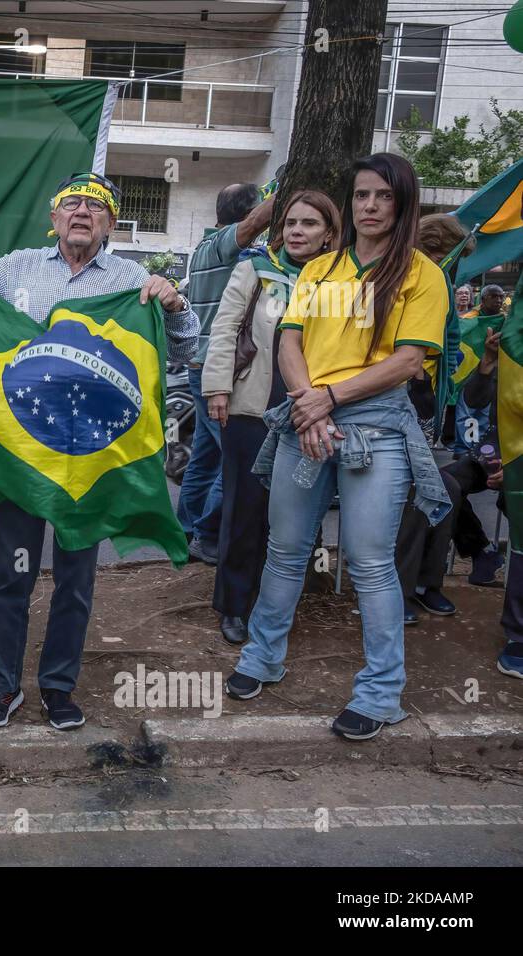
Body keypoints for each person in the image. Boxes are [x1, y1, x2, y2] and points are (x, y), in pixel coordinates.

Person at [0, 171, 198, 730]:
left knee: (76, 580)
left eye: (94, 207)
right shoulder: (17, 268)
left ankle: (58, 687)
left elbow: (187, 346)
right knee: (10, 575)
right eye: (71, 204)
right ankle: (2, 688)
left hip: (91, 461)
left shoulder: (132, 279)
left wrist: (173, 305)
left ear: (109, 224)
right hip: (22, 457)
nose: (81, 212)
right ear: (54, 218)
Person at [224, 153, 451, 742]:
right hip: (308, 422)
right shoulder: (321, 270)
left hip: (376, 429)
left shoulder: (422, 274)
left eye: (383, 197)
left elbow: (407, 361)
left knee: (371, 562)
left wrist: (327, 397)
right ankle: (261, 657)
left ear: (402, 204)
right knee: (286, 549)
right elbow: (289, 342)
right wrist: (309, 402)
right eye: (361, 196)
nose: (370, 207)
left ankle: (380, 693)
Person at [203, 190, 340, 647]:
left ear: (329, 235)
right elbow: (224, 328)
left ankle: (274, 606)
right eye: (292, 224)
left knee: (290, 516)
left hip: (309, 412)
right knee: (244, 510)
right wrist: (218, 387)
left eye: (310, 225)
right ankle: (234, 606)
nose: (297, 232)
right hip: (252, 408)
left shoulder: (338, 281)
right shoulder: (256, 268)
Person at [395, 216, 491, 621]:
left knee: (446, 490)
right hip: (386, 413)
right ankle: (392, 594)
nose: (454, 272)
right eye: (451, 261)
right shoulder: (401, 281)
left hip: (421, 409)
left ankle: (425, 584)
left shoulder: (439, 288)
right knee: (421, 497)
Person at [180, 183, 276, 565]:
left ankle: (185, 529)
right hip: (220, 369)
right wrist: (284, 191)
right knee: (235, 459)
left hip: (202, 366)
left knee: (204, 457)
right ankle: (207, 535)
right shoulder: (224, 244)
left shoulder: (205, 247)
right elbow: (255, 223)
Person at [461, 325, 523, 678]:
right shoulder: (509, 353)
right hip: (493, 453)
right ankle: (482, 551)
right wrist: (489, 360)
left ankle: (518, 632)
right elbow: (475, 399)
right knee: (441, 485)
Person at [453, 284, 505, 456]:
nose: (499, 300)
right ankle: (465, 450)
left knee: (482, 414)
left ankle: (477, 449)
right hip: (470, 373)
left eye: (501, 296)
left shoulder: (504, 321)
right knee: (468, 413)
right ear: (483, 299)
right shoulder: (468, 319)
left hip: (491, 374)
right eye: (494, 296)